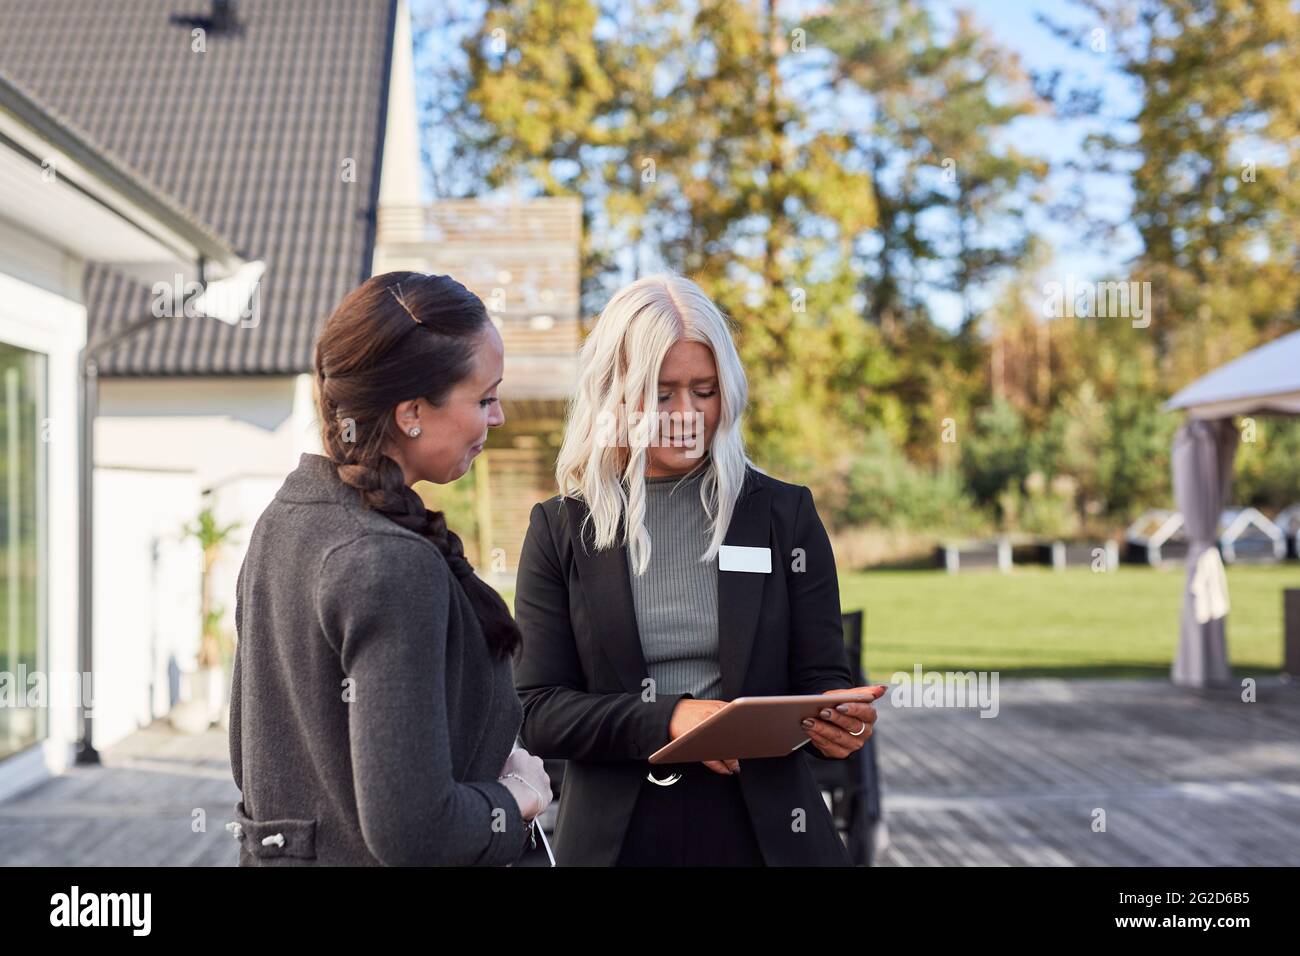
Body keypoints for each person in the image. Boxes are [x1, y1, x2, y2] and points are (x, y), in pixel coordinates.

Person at [513, 271, 883, 866]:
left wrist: (841, 724)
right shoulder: (562, 528)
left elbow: (820, 679)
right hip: (617, 843)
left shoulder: (782, 515)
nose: (686, 414)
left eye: (704, 391)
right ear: (615, 393)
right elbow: (537, 711)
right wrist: (670, 720)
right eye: (661, 393)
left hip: (769, 838)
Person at [227, 271, 551, 865]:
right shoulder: (387, 562)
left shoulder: (285, 519)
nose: (498, 417)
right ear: (410, 414)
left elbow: (251, 756)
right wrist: (514, 801)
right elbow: (415, 832)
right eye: (484, 398)